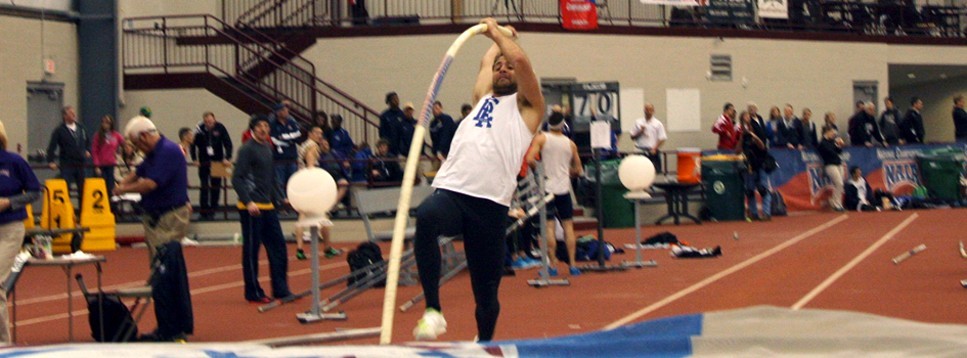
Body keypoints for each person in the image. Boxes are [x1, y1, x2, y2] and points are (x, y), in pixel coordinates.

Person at [413, 18, 544, 342]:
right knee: (427, 217)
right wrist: (497, 37)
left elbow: (521, 60)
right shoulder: (481, 97)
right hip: (455, 192)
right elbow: (487, 60)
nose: (502, 69)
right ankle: (433, 311)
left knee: (486, 295)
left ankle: (484, 344)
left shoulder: (528, 107)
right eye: (499, 67)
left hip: (490, 206)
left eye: (507, 67)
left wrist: (501, 35)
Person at [232, 115, 294, 303]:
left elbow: (271, 177)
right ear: (252, 129)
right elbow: (237, 178)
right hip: (251, 208)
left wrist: (281, 197)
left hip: (268, 206)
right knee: (252, 250)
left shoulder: (267, 148)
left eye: (266, 126)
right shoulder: (246, 149)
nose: (263, 129)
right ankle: (253, 292)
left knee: (278, 247)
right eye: (259, 126)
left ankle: (281, 289)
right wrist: (248, 201)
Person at [115, 116, 190, 262]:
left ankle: (166, 283)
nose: (138, 148)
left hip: (169, 215)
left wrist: (124, 190)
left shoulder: (167, 151)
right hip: (156, 215)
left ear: (144, 136)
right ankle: (160, 281)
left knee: (164, 257)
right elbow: (138, 172)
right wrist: (121, 184)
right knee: (158, 259)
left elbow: (150, 184)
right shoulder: (153, 153)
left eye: (137, 144)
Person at [526, 112, 583, 276]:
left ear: (548, 124)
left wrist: (538, 171)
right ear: (563, 125)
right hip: (564, 188)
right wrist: (568, 172)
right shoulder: (570, 144)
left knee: (549, 227)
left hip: (547, 187)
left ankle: (552, 265)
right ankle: (572, 265)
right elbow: (578, 169)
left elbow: (530, 159)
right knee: (568, 227)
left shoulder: (542, 138)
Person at [0, 119, 41, 344]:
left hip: (10, 228)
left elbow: (34, 191)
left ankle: (3, 343)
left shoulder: (14, 162)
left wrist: (10, 202)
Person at [293, 126, 342, 261]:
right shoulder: (312, 146)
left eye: (321, 133)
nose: (320, 136)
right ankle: (327, 248)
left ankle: (300, 248)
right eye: (317, 133)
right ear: (310, 134)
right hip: (310, 185)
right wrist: (316, 184)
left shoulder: (304, 145)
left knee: (302, 216)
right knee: (323, 215)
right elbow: (311, 166)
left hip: (301, 183)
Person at [191, 112, 233, 220]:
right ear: (204, 121)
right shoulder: (199, 129)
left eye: (211, 121)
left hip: (218, 161)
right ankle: (203, 211)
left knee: (216, 187)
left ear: (214, 120)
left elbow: (228, 143)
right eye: (206, 122)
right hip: (204, 161)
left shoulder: (220, 128)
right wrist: (194, 159)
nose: (209, 124)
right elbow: (192, 144)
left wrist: (227, 157)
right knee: (204, 186)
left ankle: (213, 210)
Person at [46, 106, 91, 202]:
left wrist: (88, 150)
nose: (73, 115)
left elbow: (88, 142)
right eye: (70, 113)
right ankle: (67, 211)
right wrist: (51, 161)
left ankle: (82, 212)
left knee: (83, 189)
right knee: (66, 188)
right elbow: (52, 147)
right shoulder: (59, 130)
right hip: (67, 164)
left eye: (74, 112)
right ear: (64, 116)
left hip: (80, 163)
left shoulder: (81, 128)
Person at [736, 111, 773, 221]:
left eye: (747, 118)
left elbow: (762, 146)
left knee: (763, 188)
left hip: (761, 162)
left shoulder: (757, 128)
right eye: (744, 119)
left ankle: (766, 213)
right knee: (750, 190)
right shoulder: (742, 133)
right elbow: (737, 151)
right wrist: (742, 137)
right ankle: (754, 213)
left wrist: (754, 137)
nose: (746, 120)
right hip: (749, 165)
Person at [269, 102, 302, 197]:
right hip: (279, 159)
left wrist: (284, 137)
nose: (286, 111)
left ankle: (292, 201)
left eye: (286, 109)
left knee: (293, 181)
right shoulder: (273, 124)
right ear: (278, 112)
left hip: (292, 157)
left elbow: (297, 135)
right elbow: (274, 139)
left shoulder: (292, 122)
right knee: (280, 182)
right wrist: (289, 139)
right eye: (283, 110)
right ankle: (282, 203)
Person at [91, 115, 124, 196]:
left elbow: (125, 144)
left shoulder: (116, 135)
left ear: (111, 124)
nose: (105, 125)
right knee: (102, 185)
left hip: (111, 164)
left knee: (110, 186)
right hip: (101, 164)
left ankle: (112, 204)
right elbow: (94, 151)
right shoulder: (98, 136)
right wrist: (96, 166)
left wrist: (119, 155)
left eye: (108, 123)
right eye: (104, 123)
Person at [629, 103, 666, 172]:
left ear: (653, 111)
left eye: (650, 110)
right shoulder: (638, 122)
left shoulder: (658, 124)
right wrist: (640, 132)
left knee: (652, 171)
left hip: (651, 151)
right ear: (644, 110)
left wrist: (655, 148)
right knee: (639, 171)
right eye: (647, 109)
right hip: (639, 150)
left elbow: (662, 138)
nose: (648, 112)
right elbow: (632, 136)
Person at [817, 126, 846, 212]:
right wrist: (835, 147)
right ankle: (835, 203)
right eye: (831, 132)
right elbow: (830, 152)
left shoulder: (832, 141)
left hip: (838, 163)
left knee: (840, 185)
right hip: (830, 164)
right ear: (827, 132)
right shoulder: (823, 142)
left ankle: (838, 202)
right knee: (839, 183)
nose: (833, 134)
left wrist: (839, 145)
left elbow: (839, 152)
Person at [379, 92, 404, 156]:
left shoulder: (402, 114)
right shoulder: (385, 115)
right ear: (389, 102)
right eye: (394, 99)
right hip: (389, 148)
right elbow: (382, 132)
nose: (396, 101)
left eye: (397, 98)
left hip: (400, 148)